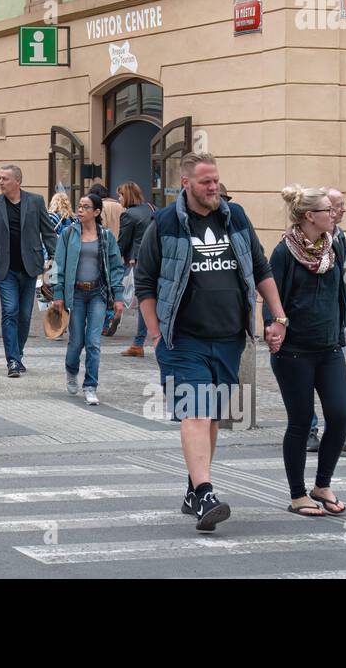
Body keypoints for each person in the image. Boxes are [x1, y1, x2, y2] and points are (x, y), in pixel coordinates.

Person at [134, 152, 287, 532]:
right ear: (185, 183)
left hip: (229, 337)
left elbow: (260, 267)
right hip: (183, 339)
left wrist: (278, 316)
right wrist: (155, 334)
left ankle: (192, 489)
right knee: (197, 412)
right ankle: (205, 493)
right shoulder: (165, 223)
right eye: (205, 182)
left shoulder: (235, 217)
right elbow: (145, 282)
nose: (214, 187)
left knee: (213, 416)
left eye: (216, 180)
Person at [264, 185, 346, 517]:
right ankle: (297, 495)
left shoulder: (331, 248)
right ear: (310, 216)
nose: (334, 213)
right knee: (299, 422)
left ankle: (322, 485)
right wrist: (273, 327)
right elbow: (271, 295)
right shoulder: (283, 252)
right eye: (327, 210)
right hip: (294, 350)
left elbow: (341, 298)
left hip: (329, 347)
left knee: (340, 415)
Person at [0, 165, 56, 379]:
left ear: (17, 181)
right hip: (6, 269)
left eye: (5, 178)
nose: (0, 182)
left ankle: (17, 353)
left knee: (24, 315)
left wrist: (56, 262)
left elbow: (48, 233)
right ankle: (12, 360)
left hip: (30, 267)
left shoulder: (35, 201)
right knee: (10, 311)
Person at [50, 192, 124, 406]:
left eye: (85, 207)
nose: (80, 210)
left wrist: (118, 297)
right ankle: (71, 371)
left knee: (93, 342)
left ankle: (90, 386)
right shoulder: (69, 234)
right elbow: (59, 264)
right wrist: (58, 294)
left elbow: (117, 267)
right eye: (79, 206)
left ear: (97, 212)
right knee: (76, 342)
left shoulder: (106, 236)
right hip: (76, 294)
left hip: (98, 294)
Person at [308, 187, 346, 454]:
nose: (341, 211)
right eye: (337, 206)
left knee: (333, 383)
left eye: (341, 206)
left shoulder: (342, 239)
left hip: (335, 318)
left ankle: (335, 432)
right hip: (309, 321)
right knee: (306, 379)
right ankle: (309, 430)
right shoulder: (301, 240)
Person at [117, 181, 156, 357]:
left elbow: (123, 241)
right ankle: (141, 342)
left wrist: (117, 259)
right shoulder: (152, 208)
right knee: (154, 300)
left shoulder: (129, 215)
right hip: (158, 260)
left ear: (127, 196)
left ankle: (139, 343)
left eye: (120, 195)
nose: (119, 199)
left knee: (144, 301)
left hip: (142, 262)